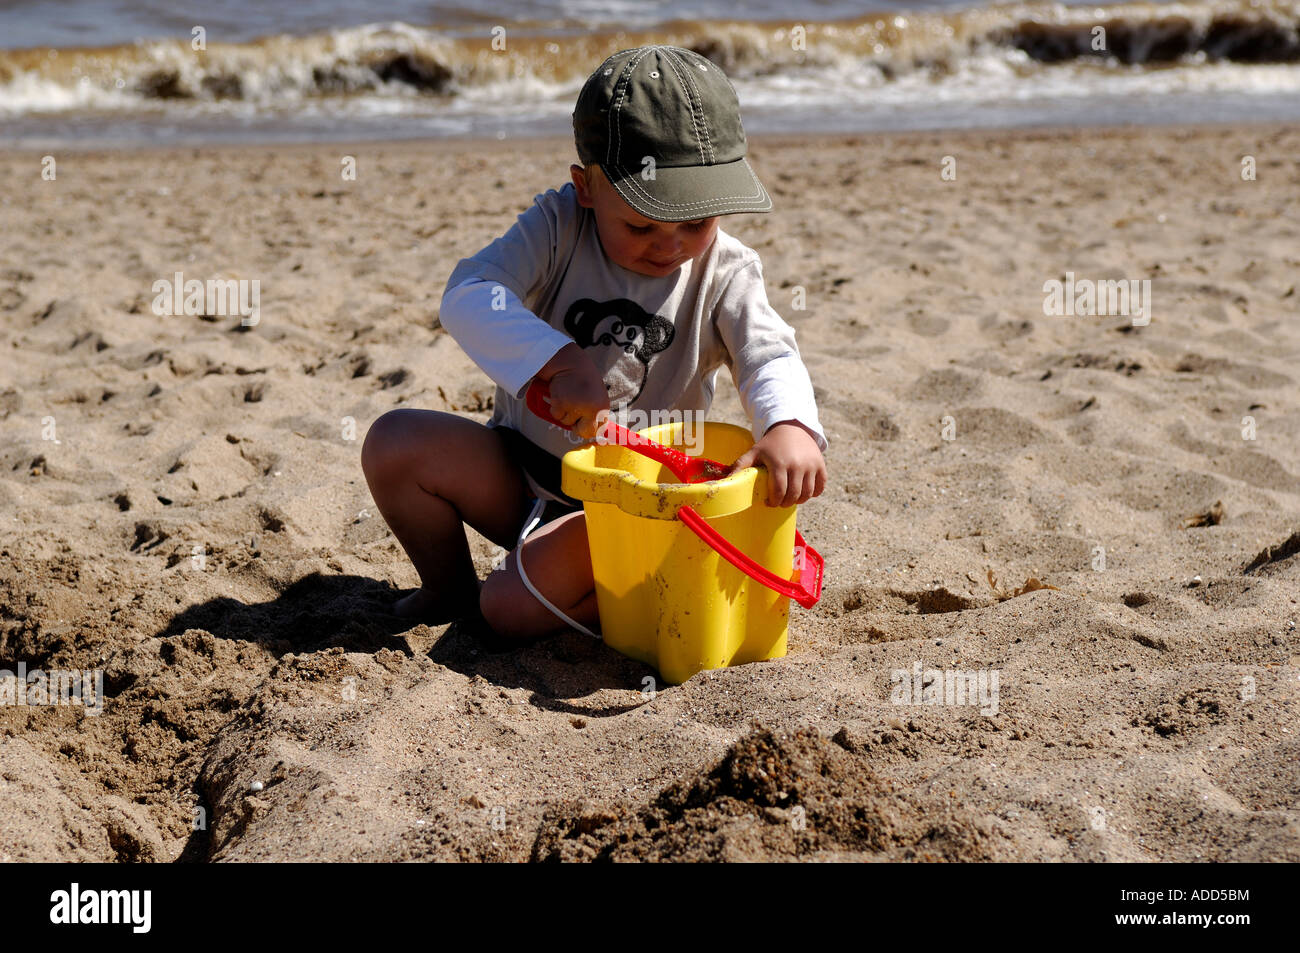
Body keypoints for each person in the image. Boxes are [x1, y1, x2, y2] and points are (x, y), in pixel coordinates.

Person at [362, 45, 827, 641]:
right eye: (642, 223)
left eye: (697, 221)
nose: (671, 246)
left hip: (632, 505)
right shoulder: (557, 226)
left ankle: (648, 593)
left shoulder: (727, 272)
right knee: (395, 442)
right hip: (523, 475)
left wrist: (788, 426)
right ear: (586, 186)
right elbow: (471, 293)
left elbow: (770, 353)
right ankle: (450, 591)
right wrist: (557, 361)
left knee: (506, 609)